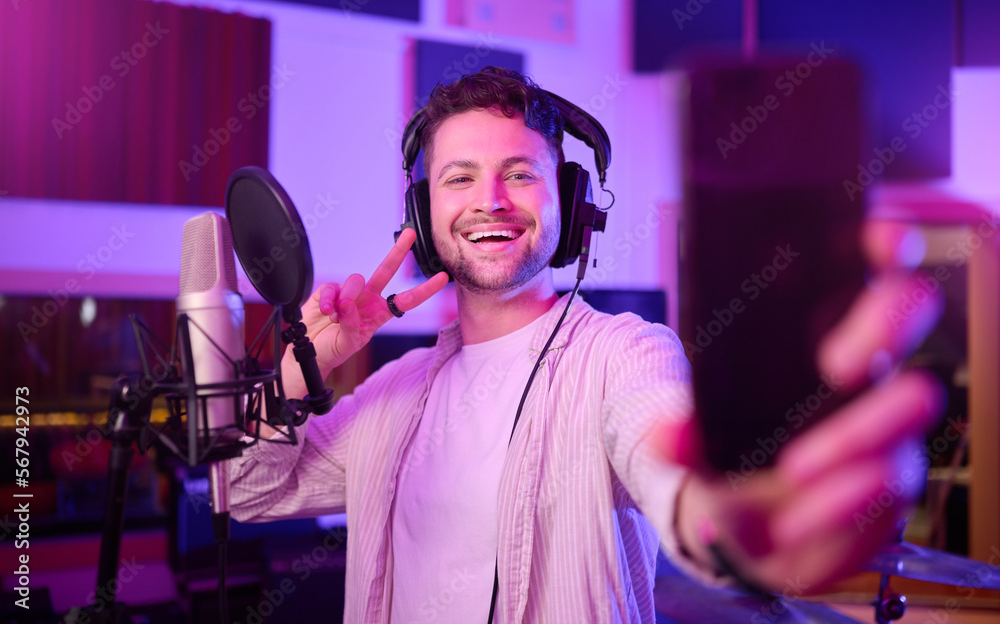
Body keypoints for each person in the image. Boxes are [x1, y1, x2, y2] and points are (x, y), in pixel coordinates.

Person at [228, 67, 943, 622]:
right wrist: (298, 374)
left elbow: (673, 476)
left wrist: (732, 521)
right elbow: (246, 493)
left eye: (520, 173)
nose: (492, 201)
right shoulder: (393, 389)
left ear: (570, 204)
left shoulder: (623, 356)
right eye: (460, 178)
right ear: (423, 212)